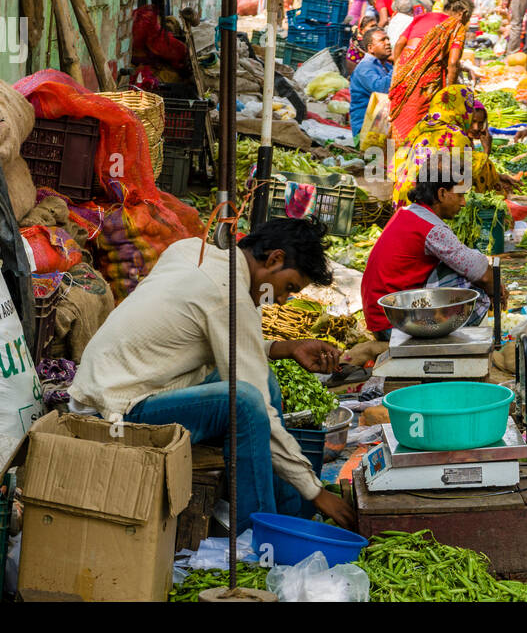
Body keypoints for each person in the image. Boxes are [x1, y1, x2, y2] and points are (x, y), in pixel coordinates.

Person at [68, 219, 355, 533]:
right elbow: (230, 329)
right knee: (246, 402)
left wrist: (285, 347)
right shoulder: (228, 295)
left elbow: (220, 338)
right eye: (288, 288)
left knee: (263, 383)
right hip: (116, 411)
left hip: (119, 383)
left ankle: (286, 512)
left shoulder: (194, 250)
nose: (284, 299)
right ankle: (259, 535)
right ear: (273, 259)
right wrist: (317, 491)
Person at [363, 156, 507, 339]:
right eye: (460, 195)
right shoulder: (431, 229)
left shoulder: (409, 213)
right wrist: (494, 289)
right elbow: (482, 272)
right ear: (441, 194)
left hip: (381, 316)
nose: (463, 203)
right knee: (471, 281)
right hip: (391, 324)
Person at [391, 85, 505, 205]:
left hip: (402, 200)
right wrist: (487, 155)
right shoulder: (456, 136)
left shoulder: (422, 127)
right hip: (427, 203)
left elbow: (394, 168)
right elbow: (468, 179)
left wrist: (497, 175)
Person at [388, 0, 476, 142]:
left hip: (403, 72)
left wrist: (403, 69)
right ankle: (409, 157)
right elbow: (453, 63)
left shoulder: (423, 17)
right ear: (463, 14)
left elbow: (399, 44)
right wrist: (450, 90)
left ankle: (390, 157)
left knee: (398, 114)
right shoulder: (456, 26)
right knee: (419, 118)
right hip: (427, 79)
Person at [349, 27, 394, 140]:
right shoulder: (365, 67)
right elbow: (381, 88)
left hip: (380, 126)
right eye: (382, 40)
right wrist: (398, 64)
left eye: (388, 39)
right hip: (365, 131)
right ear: (371, 48)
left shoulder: (387, 66)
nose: (388, 43)